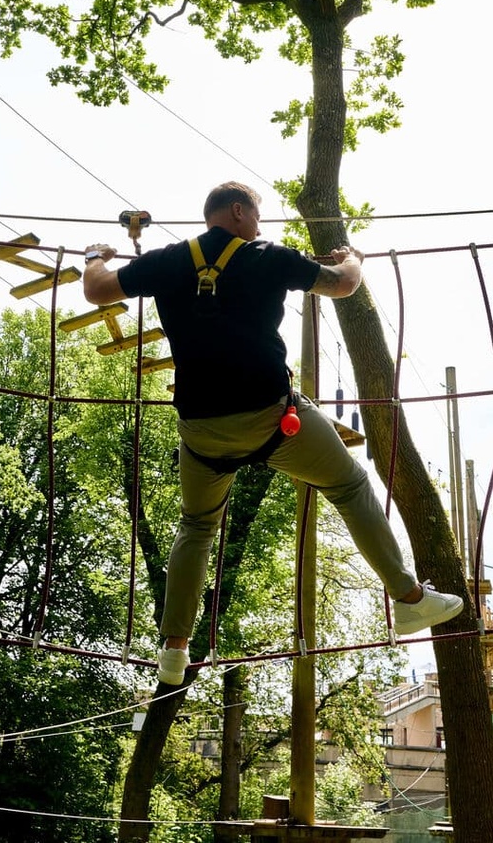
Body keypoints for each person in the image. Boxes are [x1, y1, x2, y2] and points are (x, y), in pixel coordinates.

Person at [82, 181, 463, 685]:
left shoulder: (168, 260)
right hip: (274, 421)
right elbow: (342, 283)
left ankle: (174, 649)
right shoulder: (267, 255)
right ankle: (409, 599)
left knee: (196, 526)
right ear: (239, 212)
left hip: (201, 431)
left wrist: (93, 256)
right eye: (258, 215)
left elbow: (97, 289)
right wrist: (356, 257)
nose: (260, 225)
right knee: (349, 485)